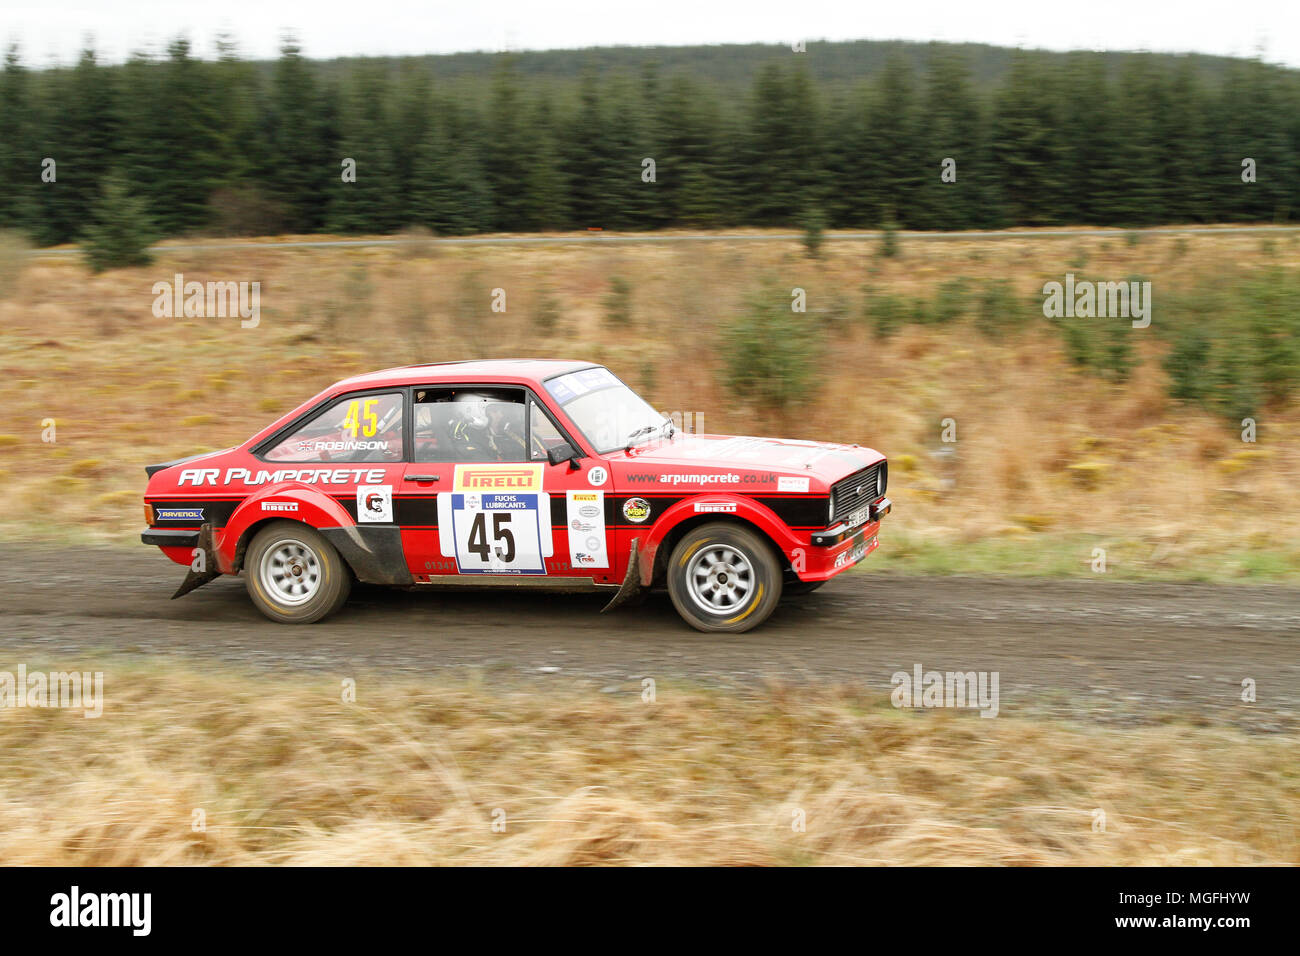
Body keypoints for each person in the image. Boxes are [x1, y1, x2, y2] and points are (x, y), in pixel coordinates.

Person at [450, 398, 526, 461]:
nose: (501, 415)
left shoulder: (499, 436)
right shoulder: (465, 441)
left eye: (501, 411)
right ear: (472, 412)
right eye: (494, 411)